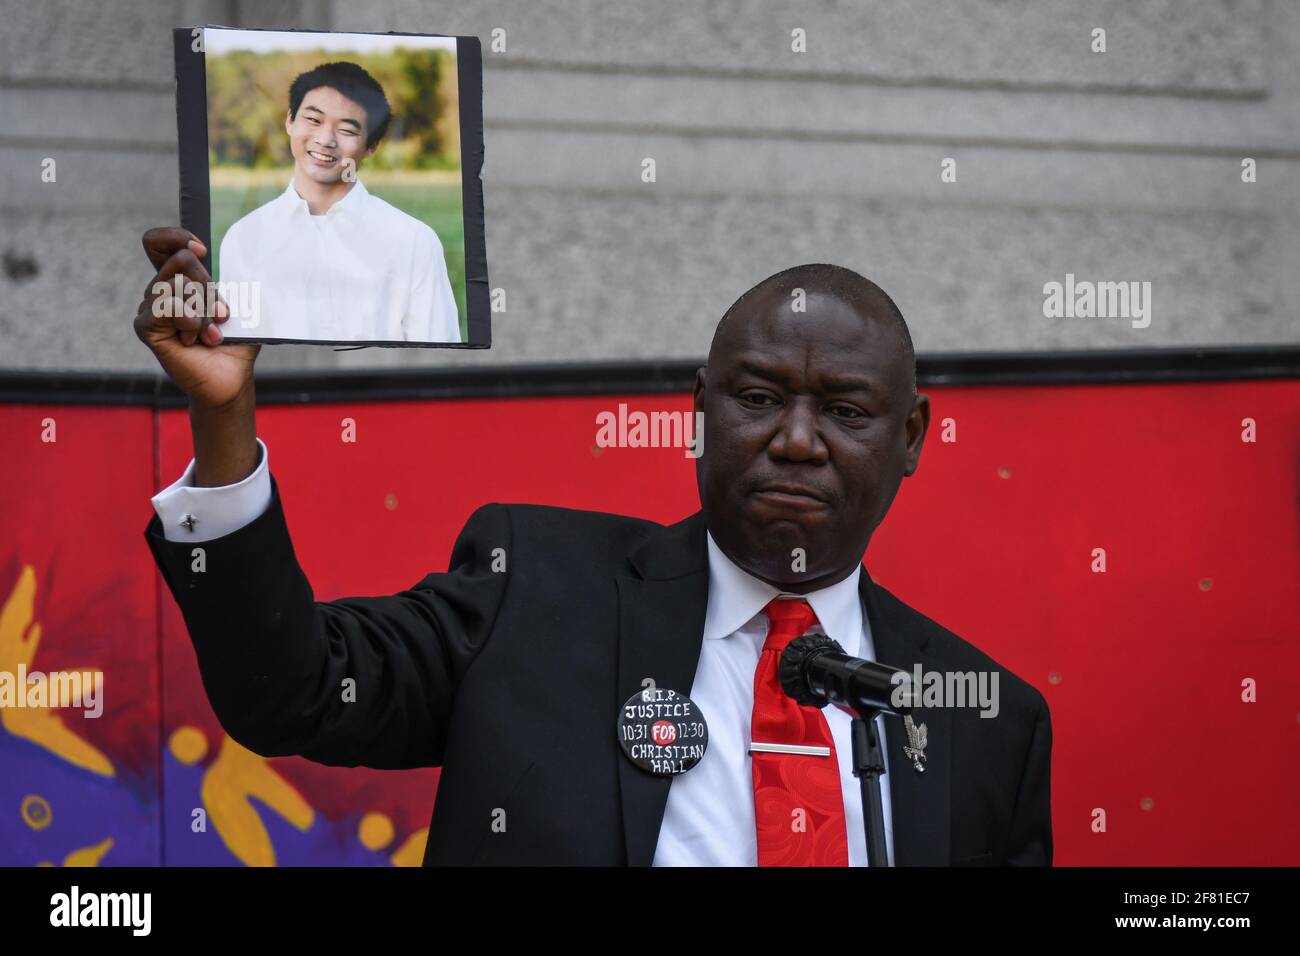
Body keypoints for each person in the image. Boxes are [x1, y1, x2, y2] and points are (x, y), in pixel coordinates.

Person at [134, 230, 1053, 866]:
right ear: (700, 409)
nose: (797, 441)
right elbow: (290, 691)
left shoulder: (988, 722)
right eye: (759, 399)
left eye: (846, 413)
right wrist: (223, 419)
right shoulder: (531, 591)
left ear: (913, 437)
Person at [218, 61, 460, 344]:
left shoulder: (414, 240)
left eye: (347, 130)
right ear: (289, 121)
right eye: (313, 120)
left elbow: (439, 356)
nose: (325, 139)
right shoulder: (243, 237)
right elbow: (238, 354)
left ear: (371, 146)